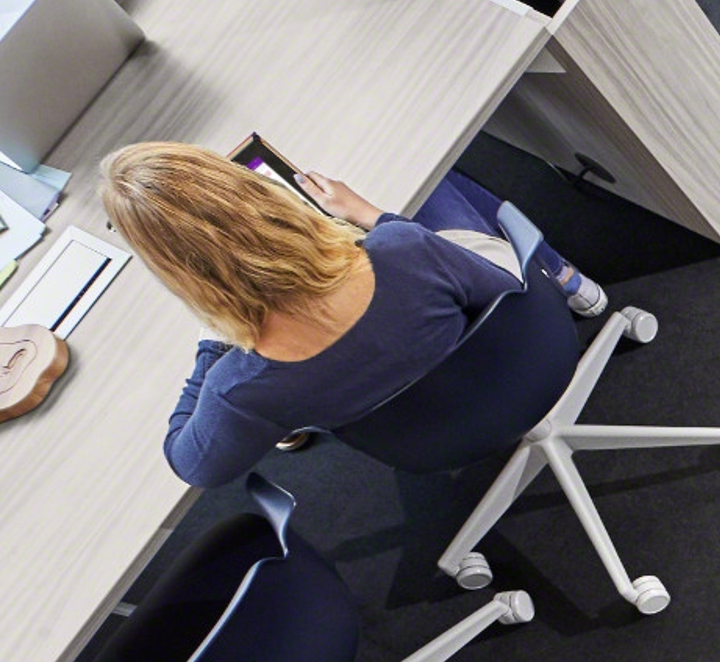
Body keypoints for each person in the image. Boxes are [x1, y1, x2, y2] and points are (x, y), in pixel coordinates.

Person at [95, 142, 608, 488]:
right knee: (434, 174)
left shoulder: (243, 387)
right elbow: (502, 292)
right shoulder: (401, 248)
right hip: (536, 355)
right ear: (263, 197)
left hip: (436, 443)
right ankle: (567, 279)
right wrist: (373, 217)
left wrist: (214, 344)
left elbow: (192, 465)